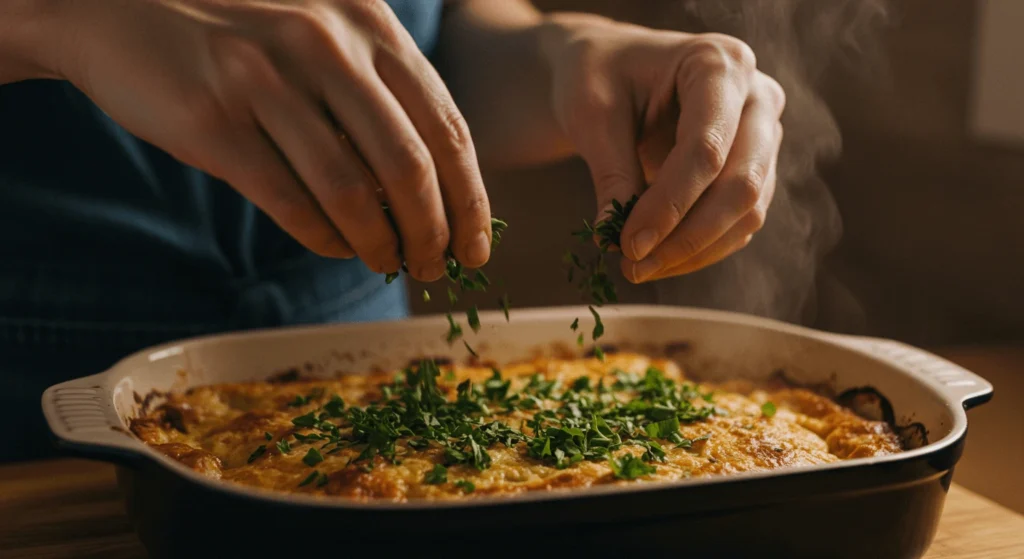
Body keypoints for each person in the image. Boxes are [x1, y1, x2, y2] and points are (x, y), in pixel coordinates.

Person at [0, 0, 784, 461]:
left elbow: (428, 30)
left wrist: (560, 56)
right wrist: (59, 18)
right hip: (30, 396)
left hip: (370, 395)